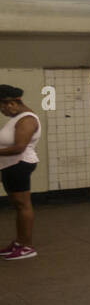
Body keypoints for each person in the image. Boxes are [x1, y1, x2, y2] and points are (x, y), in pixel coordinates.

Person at [0, 84, 41, 261]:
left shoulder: (27, 120)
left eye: (2, 106)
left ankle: (26, 246)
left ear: (12, 103)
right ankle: (19, 242)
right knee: (18, 205)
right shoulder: (18, 118)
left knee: (23, 205)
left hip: (19, 164)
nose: (2, 111)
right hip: (12, 166)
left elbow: (19, 148)